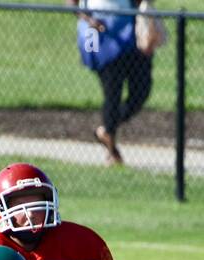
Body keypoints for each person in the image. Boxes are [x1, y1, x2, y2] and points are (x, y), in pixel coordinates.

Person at [70, 0, 165, 166]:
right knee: (112, 90)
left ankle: (107, 129)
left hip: (129, 30)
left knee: (141, 91)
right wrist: (89, 19)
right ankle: (111, 151)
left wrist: (147, 19)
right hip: (97, 33)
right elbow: (72, 3)